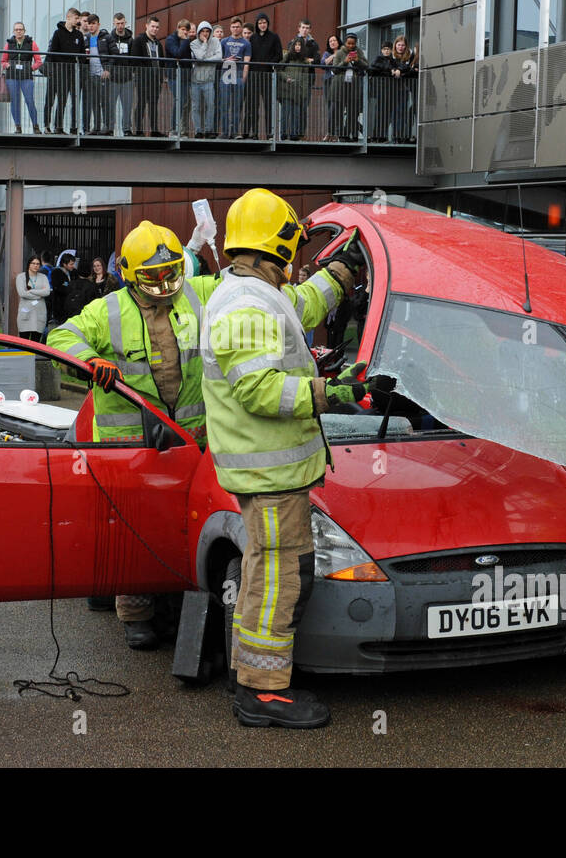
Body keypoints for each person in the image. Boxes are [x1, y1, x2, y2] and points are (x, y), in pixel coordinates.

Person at [201, 188, 362, 727]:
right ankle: (263, 691)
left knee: (270, 572)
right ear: (280, 246)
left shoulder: (254, 292)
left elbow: (301, 303)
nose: (295, 263)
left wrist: (339, 276)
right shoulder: (248, 303)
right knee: (274, 578)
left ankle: (256, 680)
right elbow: (262, 391)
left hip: (271, 469)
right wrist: (334, 393)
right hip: (267, 472)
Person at [47, 221, 222, 648]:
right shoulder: (107, 310)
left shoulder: (198, 292)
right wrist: (89, 359)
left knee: (185, 524)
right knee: (134, 530)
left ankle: (182, 600)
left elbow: (243, 286)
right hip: (131, 448)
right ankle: (136, 612)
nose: (165, 284)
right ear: (129, 273)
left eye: (170, 273)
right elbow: (60, 337)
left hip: (190, 443)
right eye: (153, 276)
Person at [45, 8, 86, 134]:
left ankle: (59, 127)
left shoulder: (78, 35)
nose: (78, 21)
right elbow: (53, 51)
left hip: (72, 71)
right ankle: (48, 126)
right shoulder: (58, 33)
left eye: (79, 18)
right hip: (58, 70)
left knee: (65, 99)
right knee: (52, 99)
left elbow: (82, 54)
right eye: (76, 18)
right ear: (68, 17)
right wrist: (65, 59)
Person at [245, 13, 282, 139]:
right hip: (254, 75)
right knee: (253, 105)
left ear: (268, 23)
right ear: (257, 24)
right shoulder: (253, 38)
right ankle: (254, 133)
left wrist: (269, 64)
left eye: (264, 22)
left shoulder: (274, 37)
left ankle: (269, 134)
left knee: (268, 106)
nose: (262, 25)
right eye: (260, 23)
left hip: (267, 75)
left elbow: (279, 55)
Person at [2, 21, 43, 134]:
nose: (19, 31)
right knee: (14, 101)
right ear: (14, 32)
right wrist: (7, 65)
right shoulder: (8, 44)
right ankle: (18, 127)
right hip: (12, 76)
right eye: (16, 30)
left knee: (29, 100)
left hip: (26, 76)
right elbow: (3, 61)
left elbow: (39, 61)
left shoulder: (31, 43)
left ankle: (35, 126)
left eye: (21, 29)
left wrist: (31, 68)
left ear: (24, 31)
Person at [100, 12, 135, 135]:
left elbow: (133, 58)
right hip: (113, 78)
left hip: (127, 78)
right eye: (118, 23)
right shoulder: (109, 39)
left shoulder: (131, 40)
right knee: (110, 106)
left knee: (127, 106)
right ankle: (110, 128)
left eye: (122, 23)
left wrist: (131, 72)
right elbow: (106, 56)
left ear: (125, 23)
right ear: (114, 24)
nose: (120, 26)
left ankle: (126, 129)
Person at [131, 17, 166, 137]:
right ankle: (139, 130)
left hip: (156, 80)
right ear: (146, 26)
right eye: (153, 26)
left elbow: (161, 62)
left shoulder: (158, 43)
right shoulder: (139, 40)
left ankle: (154, 130)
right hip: (143, 78)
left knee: (153, 105)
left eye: (157, 27)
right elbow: (135, 60)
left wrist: (161, 77)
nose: (155, 29)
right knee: (141, 103)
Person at [220, 17, 252, 138]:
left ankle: (234, 132)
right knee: (224, 105)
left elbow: (247, 61)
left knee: (237, 106)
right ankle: (224, 132)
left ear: (241, 28)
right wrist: (225, 59)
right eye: (233, 27)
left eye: (238, 27)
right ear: (230, 28)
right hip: (225, 76)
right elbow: (219, 58)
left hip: (238, 76)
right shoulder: (224, 41)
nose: (235, 29)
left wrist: (244, 77)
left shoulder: (246, 43)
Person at [189, 21, 222, 139]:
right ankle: (198, 130)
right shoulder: (193, 43)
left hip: (209, 80)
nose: (205, 33)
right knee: (196, 107)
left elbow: (219, 57)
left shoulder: (216, 41)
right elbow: (199, 57)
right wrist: (204, 43)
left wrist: (205, 60)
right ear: (199, 32)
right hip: (195, 81)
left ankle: (209, 130)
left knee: (210, 105)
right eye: (203, 31)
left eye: (207, 31)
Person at [332, 33, 367, 141]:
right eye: (349, 43)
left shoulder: (359, 52)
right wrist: (345, 61)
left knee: (353, 111)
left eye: (353, 44)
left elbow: (366, 65)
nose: (351, 46)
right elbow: (334, 69)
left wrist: (357, 60)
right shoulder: (339, 52)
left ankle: (350, 132)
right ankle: (342, 134)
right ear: (345, 43)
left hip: (354, 85)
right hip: (341, 85)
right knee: (340, 111)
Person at [82, 13, 112, 136]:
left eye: (93, 24)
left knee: (104, 102)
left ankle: (107, 126)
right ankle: (97, 127)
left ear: (98, 24)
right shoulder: (86, 38)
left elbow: (114, 54)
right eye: (89, 24)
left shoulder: (107, 37)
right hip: (91, 75)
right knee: (94, 102)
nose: (91, 26)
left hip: (103, 75)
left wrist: (108, 69)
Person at [276, 38, 311, 141]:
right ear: (293, 46)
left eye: (300, 45)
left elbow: (305, 78)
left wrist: (304, 92)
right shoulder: (287, 56)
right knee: (285, 112)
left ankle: (294, 134)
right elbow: (278, 69)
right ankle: (283, 133)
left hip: (298, 90)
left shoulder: (304, 61)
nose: (297, 47)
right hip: (286, 89)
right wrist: (286, 78)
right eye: (296, 45)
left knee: (296, 113)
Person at [164, 19, 194, 136]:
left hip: (185, 76)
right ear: (178, 29)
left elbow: (187, 57)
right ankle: (173, 129)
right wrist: (185, 41)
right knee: (179, 100)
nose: (185, 32)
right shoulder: (171, 39)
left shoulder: (186, 41)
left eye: (186, 30)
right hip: (174, 76)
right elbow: (178, 54)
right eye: (182, 30)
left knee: (185, 102)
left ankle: (182, 129)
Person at [16, 257, 52, 342]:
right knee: (23, 343)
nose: (36, 266)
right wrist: (39, 295)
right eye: (33, 263)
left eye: (38, 264)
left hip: (39, 314)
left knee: (35, 343)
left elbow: (47, 292)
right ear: (29, 264)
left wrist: (32, 291)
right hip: (26, 313)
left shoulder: (43, 277)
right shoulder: (21, 277)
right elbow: (22, 293)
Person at [390, 35, 418, 143]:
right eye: (399, 45)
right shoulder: (391, 56)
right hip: (392, 90)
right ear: (395, 45)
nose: (401, 47)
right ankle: (395, 136)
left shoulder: (409, 57)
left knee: (402, 113)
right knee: (394, 113)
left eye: (403, 45)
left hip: (404, 89)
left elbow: (409, 68)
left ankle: (401, 136)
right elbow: (388, 67)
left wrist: (399, 70)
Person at [320, 34, 343, 140]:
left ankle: (337, 132)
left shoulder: (343, 52)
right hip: (328, 82)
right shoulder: (326, 53)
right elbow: (323, 64)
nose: (332, 42)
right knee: (330, 107)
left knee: (337, 108)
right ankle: (330, 132)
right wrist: (334, 56)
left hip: (340, 83)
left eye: (334, 40)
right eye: (330, 41)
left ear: (338, 42)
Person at [49, 250, 77, 325]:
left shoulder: (73, 272)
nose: (73, 266)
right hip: (60, 308)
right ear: (64, 264)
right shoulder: (56, 272)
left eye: (73, 264)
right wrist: (70, 289)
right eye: (71, 264)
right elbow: (58, 287)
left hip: (71, 308)